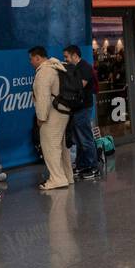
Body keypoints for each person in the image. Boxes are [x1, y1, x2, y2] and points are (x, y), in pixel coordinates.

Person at [29, 47, 74, 190]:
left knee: (50, 147)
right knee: (61, 147)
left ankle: (57, 179)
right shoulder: (56, 67)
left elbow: (43, 98)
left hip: (53, 114)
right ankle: (67, 176)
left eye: (31, 59)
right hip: (63, 111)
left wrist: (41, 118)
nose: (30, 62)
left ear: (37, 58)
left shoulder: (44, 73)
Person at [63, 44, 99, 180]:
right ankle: (82, 165)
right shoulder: (75, 68)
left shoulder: (84, 67)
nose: (65, 59)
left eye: (66, 56)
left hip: (83, 108)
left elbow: (79, 86)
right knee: (78, 140)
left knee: (86, 139)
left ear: (75, 55)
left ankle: (93, 167)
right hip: (77, 109)